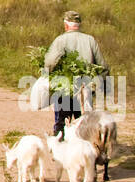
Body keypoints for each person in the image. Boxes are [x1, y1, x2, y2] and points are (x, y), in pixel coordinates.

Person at [44, 10, 108, 138]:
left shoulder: (61, 40)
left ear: (66, 25)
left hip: (65, 89)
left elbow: (50, 62)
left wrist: (48, 76)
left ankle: (62, 149)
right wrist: (100, 86)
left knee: (62, 124)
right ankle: (86, 152)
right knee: (84, 123)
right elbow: (103, 67)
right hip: (85, 88)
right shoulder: (90, 40)